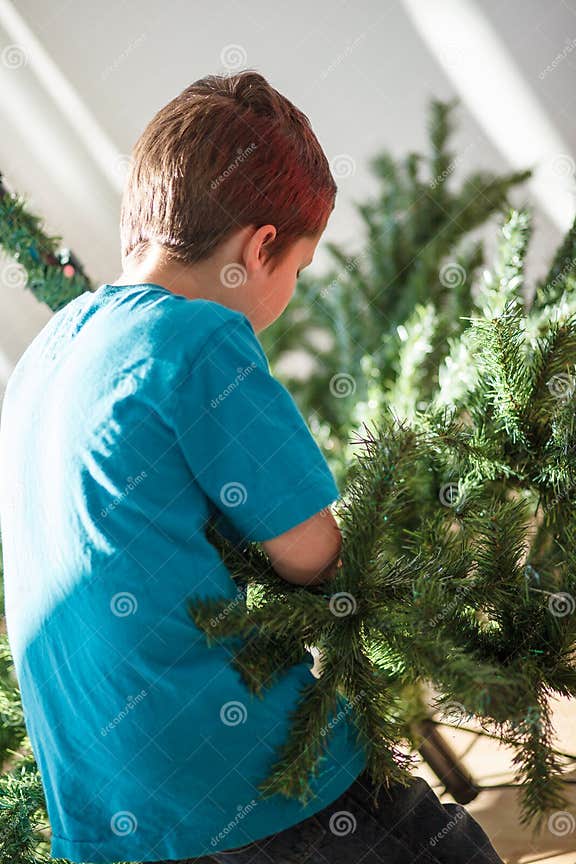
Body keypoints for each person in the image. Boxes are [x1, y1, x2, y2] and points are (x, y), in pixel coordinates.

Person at [0, 70, 503, 864]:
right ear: (260, 247)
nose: (292, 292)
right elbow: (310, 553)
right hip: (226, 773)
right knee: (437, 847)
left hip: (99, 807)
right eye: (298, 272)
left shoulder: (45, 356)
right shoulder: (201, 340)